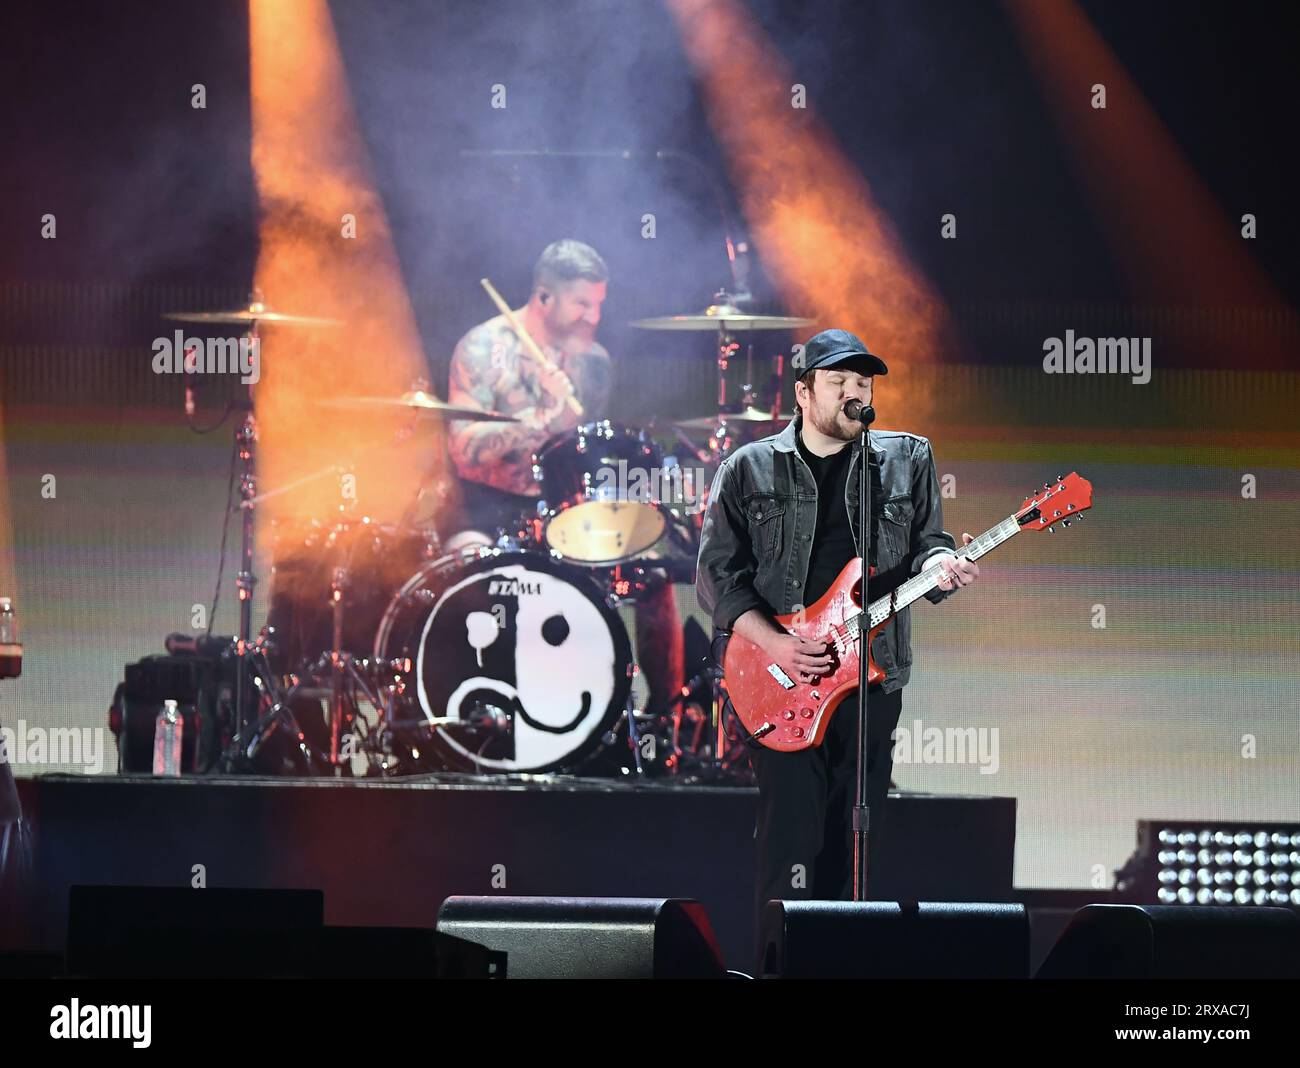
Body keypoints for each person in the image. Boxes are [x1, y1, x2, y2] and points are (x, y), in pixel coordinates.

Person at [695, 328, 979, 959]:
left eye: (865, 383)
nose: (857, 393)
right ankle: (779, 965)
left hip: (871, 673)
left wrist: (941, 568)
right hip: (784, 676)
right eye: (840, 382)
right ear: (803, 393)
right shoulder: (750, 467)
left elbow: (928, 545)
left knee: (858, 836)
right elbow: (716, 579)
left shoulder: (906, 459)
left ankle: (847, 964)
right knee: (791, 843)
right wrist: (776, 645)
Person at [446, 239, 684, 724]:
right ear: (544, 296)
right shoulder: (483, 347)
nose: (593, 315)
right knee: (469, 568)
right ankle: (476, 716)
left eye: (598, 303)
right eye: (582, 303)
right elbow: (462, 449)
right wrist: (539, 420)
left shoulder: (594, 361)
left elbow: (582, 451)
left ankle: (664, 722)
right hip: (488, 505)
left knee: (653, 572)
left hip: (565, 510)